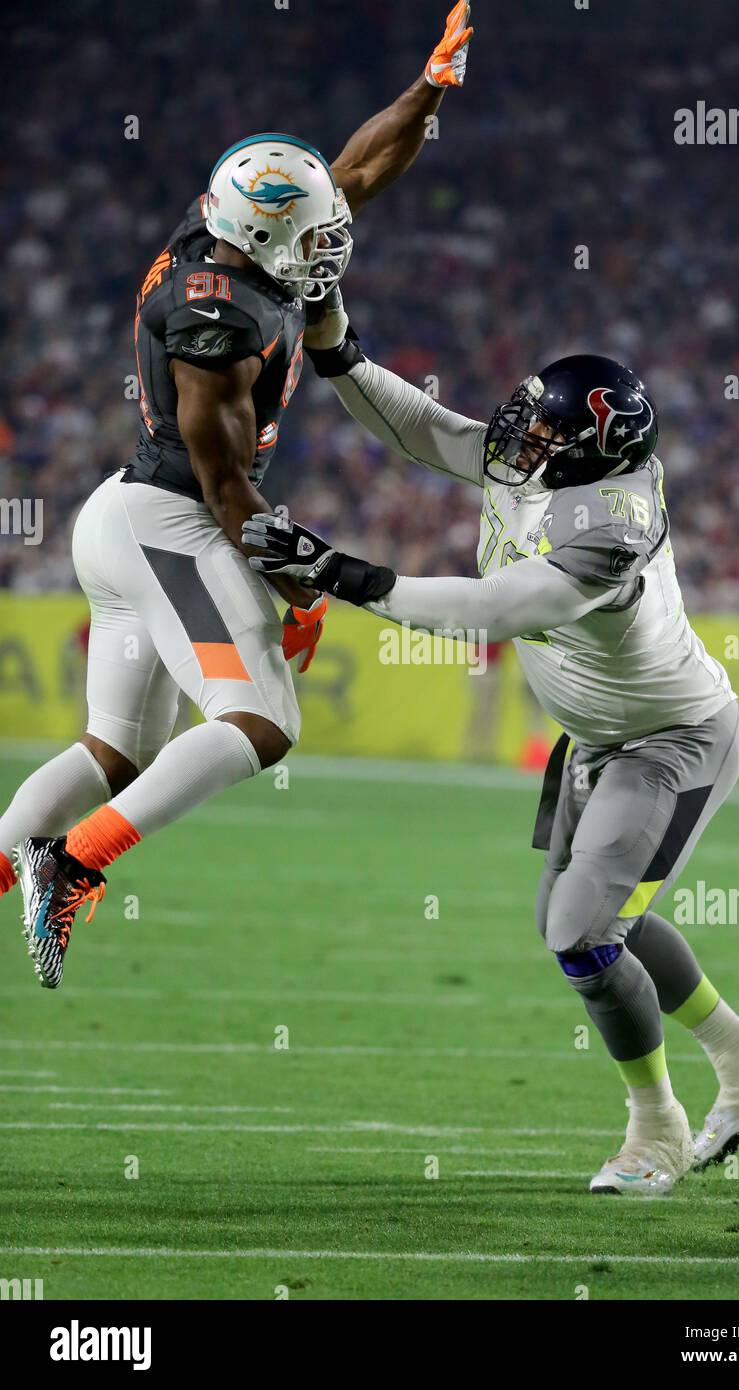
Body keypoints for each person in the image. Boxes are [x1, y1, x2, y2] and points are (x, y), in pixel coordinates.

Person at [237, 294, 739, 1195]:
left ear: (587, 457)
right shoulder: (549, 465)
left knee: (584, 933)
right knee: (581, 924)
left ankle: (654, 1128)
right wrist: (337, 347)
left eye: (543, 437)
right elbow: (429, 429)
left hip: (671, 740)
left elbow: (494, 612)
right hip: (597, 737)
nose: (517, 444)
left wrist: (338, 572)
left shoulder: (612, 526)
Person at [0, 5, 475, 990]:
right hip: (170, 521)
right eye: (309, 239)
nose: (330, 244)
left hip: (135, 514)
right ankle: (75, 866)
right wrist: (303, 591)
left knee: (114, 752)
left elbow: (349, 176)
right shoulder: (209, 320)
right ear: (260, 235)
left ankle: (28, 861)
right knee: (261, 722)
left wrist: (429, 87)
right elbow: (225, 490)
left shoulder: (253, 231)